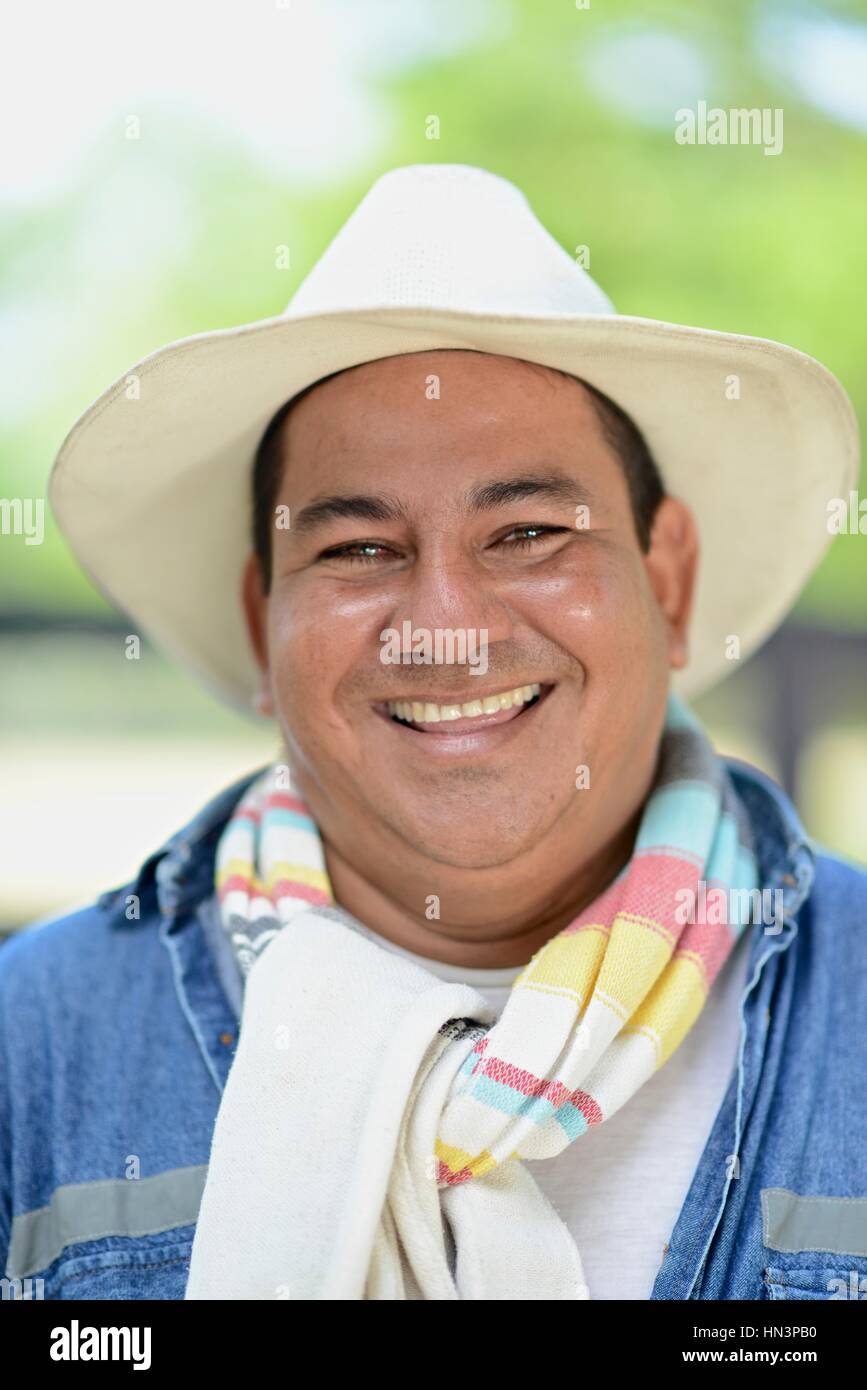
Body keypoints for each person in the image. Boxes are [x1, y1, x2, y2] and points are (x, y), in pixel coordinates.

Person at [2, 164, 865, 1302]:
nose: (446, 630)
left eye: (529, 532)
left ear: (668, 577)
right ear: (266, 622)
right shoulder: (32, 1049)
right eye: (359, 550)